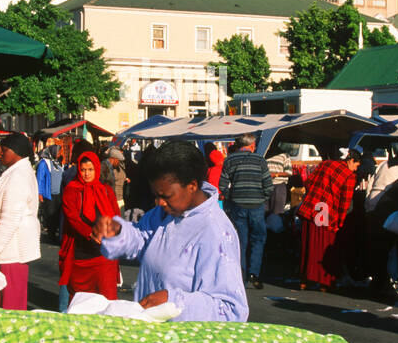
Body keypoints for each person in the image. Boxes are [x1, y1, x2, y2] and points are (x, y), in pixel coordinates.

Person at [93, 139, 247, 321]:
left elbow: (230, 309)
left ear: (192, 186)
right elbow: (142, 239)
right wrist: (119, 232)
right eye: (156, 196)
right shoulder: (164, 213)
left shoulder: (216, 233)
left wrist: (174, 301)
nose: (159, 203)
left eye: (166, 196)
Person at [0, 132, 40, 311]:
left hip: (10, 253)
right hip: (6, 251)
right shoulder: (15, 172)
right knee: (0, 305)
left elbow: (10, 218)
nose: (0, 154)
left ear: (16, 152)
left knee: (10, 306)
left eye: (4, 150)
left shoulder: (19, 177)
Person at [295, 146, 360, 293]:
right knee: (324, 247)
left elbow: (308, 182)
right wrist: (341, 222)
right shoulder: (349, 176)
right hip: (327, 214)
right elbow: (345, 202)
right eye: (356, 165)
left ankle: (304, 280)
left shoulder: (325, 164)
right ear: (350, 160)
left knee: (309, 246)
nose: (356, 169)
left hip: (311, 208)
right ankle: (324, 282)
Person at [59, 150, 122, 300]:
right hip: (80, 258)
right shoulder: (71, 190)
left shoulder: (106, 191)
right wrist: (90, 233)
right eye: (83, 170)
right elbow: (73, 218)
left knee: (107, 302)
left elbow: (116, 217)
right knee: (79, 304)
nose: (86, 174)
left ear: (97, 170)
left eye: (90, 170)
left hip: (104, 258)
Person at [219, 133, 271, 289]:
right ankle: (253, 273)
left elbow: (222, 185)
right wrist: (262, 197)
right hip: (256, 206)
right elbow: (268, 186)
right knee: (258, 239)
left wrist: (231, 197)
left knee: (240, 241)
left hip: (237, 205)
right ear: (252, 145)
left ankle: (240, 275)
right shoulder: (260, 161)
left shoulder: (230, 160)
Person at [361, 147, 398, 296]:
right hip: (387, 209)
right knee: (389, 249)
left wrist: (368, 205)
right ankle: (385, 282)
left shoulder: (384, 164)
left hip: (373, 205)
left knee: (376, 248)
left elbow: (371, 184)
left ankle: (377, 281)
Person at [100, 146, 127, 211]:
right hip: (108, 200)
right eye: (118, 161)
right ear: (114, 159)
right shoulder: (103, 167)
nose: (118, 163)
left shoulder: (109, 167)